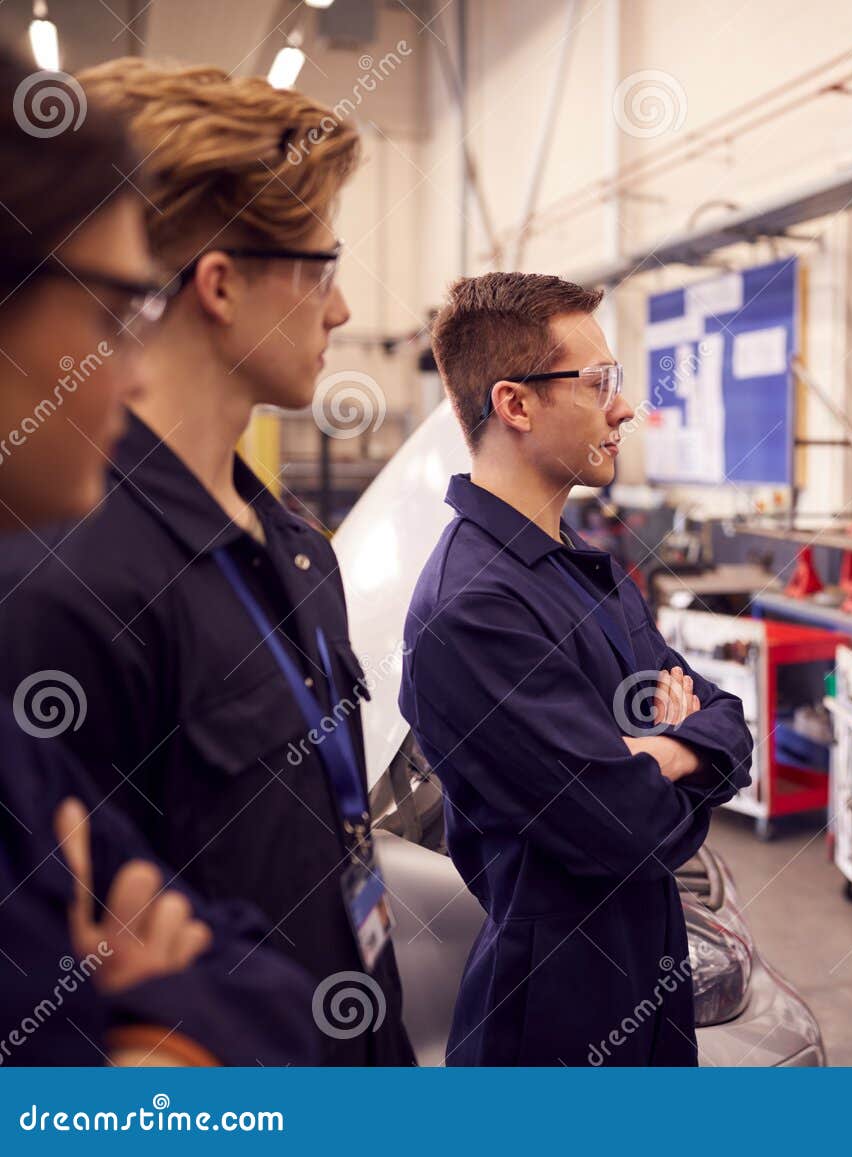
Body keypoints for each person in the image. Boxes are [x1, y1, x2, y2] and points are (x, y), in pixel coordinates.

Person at [0, 60, 412, 1065]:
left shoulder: (295, 545)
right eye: (321, 266)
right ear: (222, 284)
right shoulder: (66, 583)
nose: (344, 307)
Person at [399, 273, 753, 1065]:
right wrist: (668, 748)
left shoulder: (575, 567)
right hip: (553, 1022)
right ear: (516, 404)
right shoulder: (472, 610)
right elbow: (628, 827)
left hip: (648, 980)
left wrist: (666, 751)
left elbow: (728, 716)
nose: (623, 408)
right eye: (599, 385)